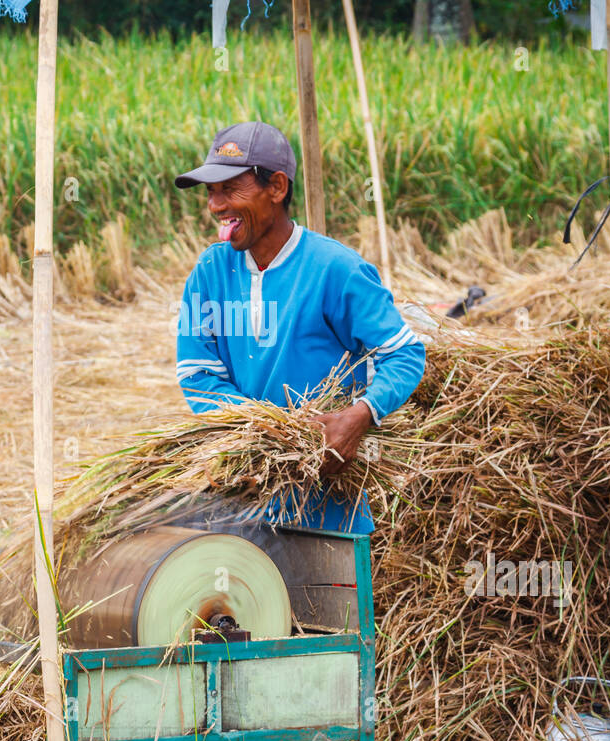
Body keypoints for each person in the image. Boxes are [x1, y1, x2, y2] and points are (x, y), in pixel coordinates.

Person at [174, 121, 425, 534]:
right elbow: (197, 372)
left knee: (331, 598)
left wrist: (360, 415)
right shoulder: (210, 271)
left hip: (328, 495)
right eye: (210, 192)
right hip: (244, 491)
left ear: (276, 187)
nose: (216, 206)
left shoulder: (336, 270)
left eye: (230, 189)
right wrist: (265, 436)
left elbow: (404, 354)